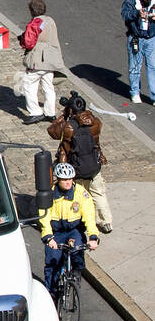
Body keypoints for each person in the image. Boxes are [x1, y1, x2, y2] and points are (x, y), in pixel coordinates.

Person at [48, 93, 113, 233]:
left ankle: (82, 222)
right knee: (99, 193)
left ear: (71, 110)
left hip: (77, 168)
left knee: (82, 196)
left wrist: (64, 115)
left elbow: (52, 131)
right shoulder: (96, 122)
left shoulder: (68, 127)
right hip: (94, 165)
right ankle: (106, 222)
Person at [38, 163, 99, 295]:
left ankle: (75, 278)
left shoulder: (81, 193)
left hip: (74, 230)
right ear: (58, 180)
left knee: (77, 254)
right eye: (65, 180)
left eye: (70, 179)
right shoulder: (49, 194)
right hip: (56, 233)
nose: (68, 182)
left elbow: (89, 216)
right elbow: (44, 217)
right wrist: (48, 237)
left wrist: (93, 237)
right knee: (52, 263)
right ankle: (52, 295)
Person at [19, 0, 64, 125]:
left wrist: (22, 39)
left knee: (29, 84)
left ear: (32, 11)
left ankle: (35, 112)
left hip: (38, 59)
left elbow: (28, 42)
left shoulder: (35, 22)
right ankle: (50, 113)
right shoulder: (50, 20)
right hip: (51, 59)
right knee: (48, 86)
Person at [121, 0, 155, 103]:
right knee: (135, 66)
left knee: (153, 66)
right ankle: (135, 92)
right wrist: (137, 13)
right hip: (136, 37)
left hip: (151, 38)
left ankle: (154, 96)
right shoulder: (131, 0)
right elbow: (125, 16)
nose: (150, 0)